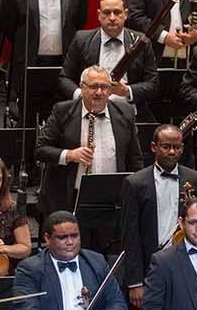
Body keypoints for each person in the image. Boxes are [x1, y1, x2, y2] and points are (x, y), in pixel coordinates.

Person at [35, 66, 140, 216]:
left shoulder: (125, 112)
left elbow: (134, 158)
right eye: (93, 87)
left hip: (111, 197)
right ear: (82, 87)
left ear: (110, 90)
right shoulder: (62, 111)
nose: (99, 92)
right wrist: (70, 155)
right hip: (69, 197)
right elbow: (40, 149)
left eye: (104, 87)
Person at [120, 124, 197, 301]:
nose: (172, 152)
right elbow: (130, 235)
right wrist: (135, 282)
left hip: (186, 260)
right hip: (149, 263)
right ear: (154, 147)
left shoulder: (196, 180)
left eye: (177, 147)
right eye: (166, 146)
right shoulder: (135, 183)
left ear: (182, 148)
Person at [64, 0, 151, 107]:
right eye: (106, 13)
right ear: (99, 15)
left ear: (125, 14)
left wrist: (127, 91)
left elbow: (153, 84)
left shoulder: (141, 41)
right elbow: (64, 78)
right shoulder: (81, 39)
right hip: (88, 107)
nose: (112, 18)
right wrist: (83, 95)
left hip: (129, 110)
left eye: (117, 12)